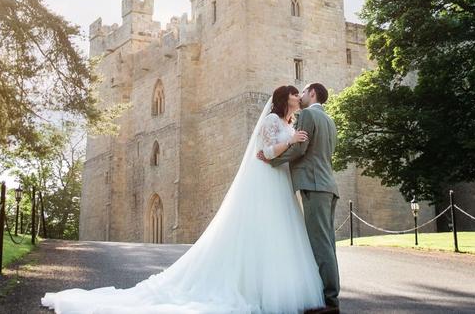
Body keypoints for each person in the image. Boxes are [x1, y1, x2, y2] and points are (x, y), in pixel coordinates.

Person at [41, 85, 324, 313]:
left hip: (281, 182)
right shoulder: (272, 119)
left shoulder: (290, 121)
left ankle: (273, 285)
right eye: (294, 93)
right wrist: (290, 140)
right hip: (267, 180)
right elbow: (269, 152)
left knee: (277, 233)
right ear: (283, 98)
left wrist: (292, 140)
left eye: (299, 93)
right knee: (262, 230)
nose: (298, 96)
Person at [258, 82, 340, 313]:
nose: (300, 96)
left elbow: (301, 149)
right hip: (328, 185)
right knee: (328, 243)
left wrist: (270, 158)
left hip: (314, 185)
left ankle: (330, 301)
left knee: (320, 244)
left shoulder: (307, 115)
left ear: (312, 93)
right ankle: (329, 296)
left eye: (302, 92)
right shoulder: (330, 121)